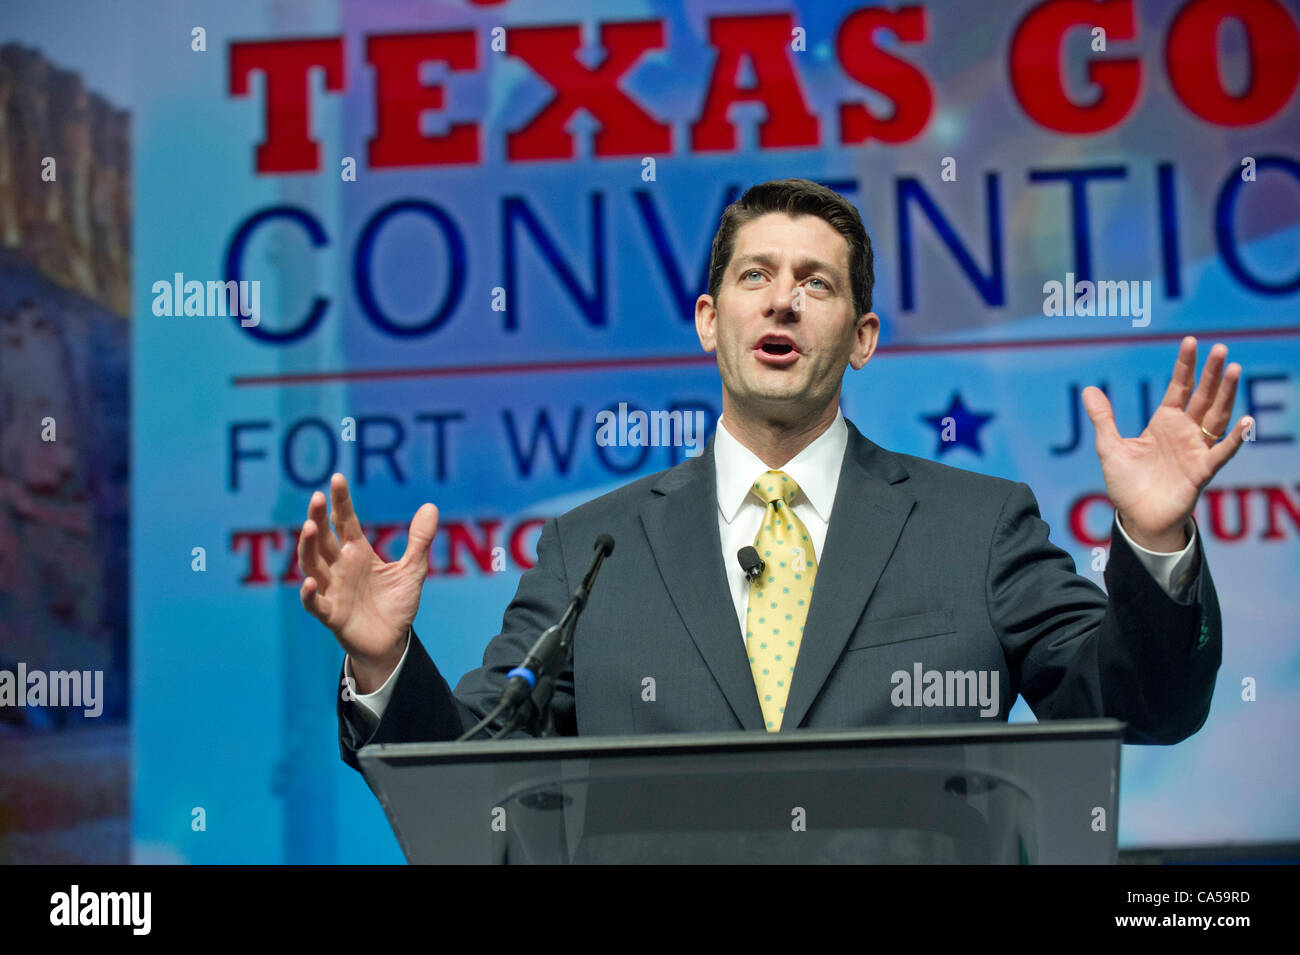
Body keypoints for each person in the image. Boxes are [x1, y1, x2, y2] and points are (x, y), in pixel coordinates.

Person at [297, 179, 1250, 774]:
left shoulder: (980, 524)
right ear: (712, 321)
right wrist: (383, 662)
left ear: (863, 338)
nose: (783, 296)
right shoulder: (592, 545)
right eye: (755, 276)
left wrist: (1156, 545)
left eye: (817, 281)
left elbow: (1142, 706)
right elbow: (470, 765)